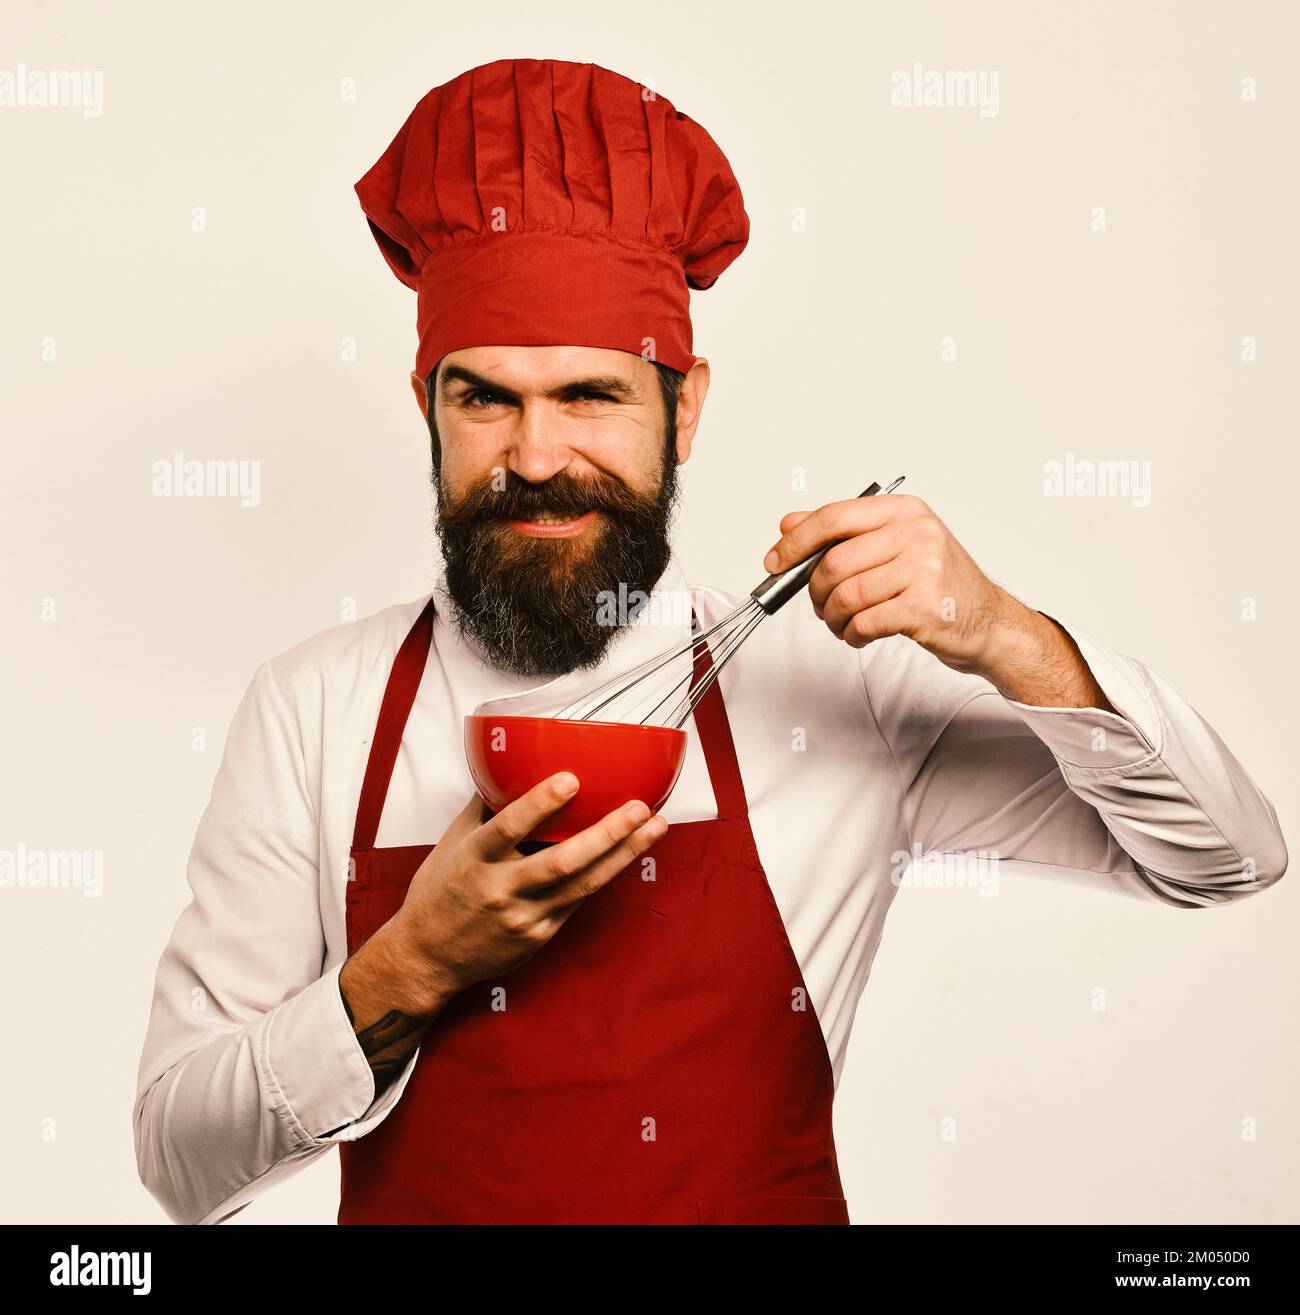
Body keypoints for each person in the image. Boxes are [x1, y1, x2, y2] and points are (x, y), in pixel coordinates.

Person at [134, 57, 1287, 1226]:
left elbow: (1229, 857)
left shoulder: (833, 692)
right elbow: (180, 1162)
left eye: (589, 396)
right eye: (485, 399)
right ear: (425, 405)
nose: (535, 457)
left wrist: (1000, 631)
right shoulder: (312, 710)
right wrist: (410, 965)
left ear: (683, 408)